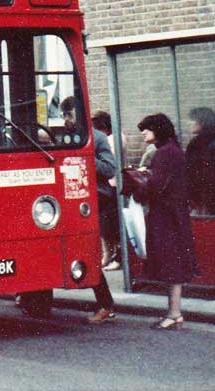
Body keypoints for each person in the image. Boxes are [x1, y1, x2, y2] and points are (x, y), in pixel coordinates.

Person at [133, 113, 199, 330]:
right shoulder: (173, 150)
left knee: (170, 262)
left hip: (166, 215)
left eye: (147, 128)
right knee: (173, 262)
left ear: (158, 130)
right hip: (175, 213)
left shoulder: (163, 153)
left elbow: (155, 186)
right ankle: (174, 313)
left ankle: (174, 313)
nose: (143, 132)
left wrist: (138, 185)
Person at [86, 114, 119, 324]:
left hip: (94, 196)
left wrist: (85, 157)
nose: (67, 120)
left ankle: (106, 304)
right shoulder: (60, 136)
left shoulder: (97, 137)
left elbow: (109, 168)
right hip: (66, 196)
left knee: (88, 249)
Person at [91, 111, 122, 270]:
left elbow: (110, 167)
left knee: (108, 227)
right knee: (107, 226)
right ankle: (108, 255)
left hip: (109, 187)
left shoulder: (105, 139)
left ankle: (110, 255)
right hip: (111, 186)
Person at [185, 107, 215, 216]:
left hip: (205, 198)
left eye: (192, 120)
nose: (189, 123)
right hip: (202, 197)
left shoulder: (202, 144)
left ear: (202, 121)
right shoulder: (197, 142)